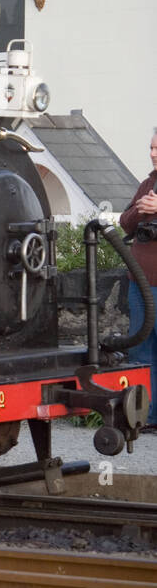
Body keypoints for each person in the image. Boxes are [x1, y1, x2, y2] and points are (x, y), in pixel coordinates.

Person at [119, 129, 157, 431]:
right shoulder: (147, 183)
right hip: (140, 283)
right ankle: (149, 417)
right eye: (151, 148)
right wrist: (141, 208)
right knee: (141, 352)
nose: (153, 154)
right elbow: (124, 221)